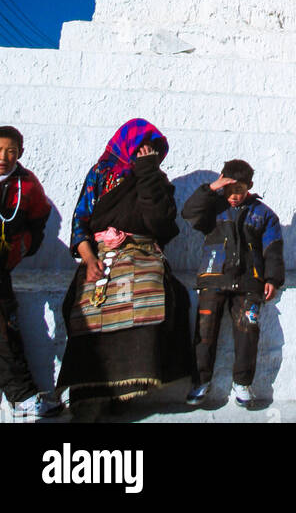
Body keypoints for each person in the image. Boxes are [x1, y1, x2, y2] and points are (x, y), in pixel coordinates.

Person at [58, 118, 192, 414]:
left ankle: (129, 388)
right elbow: (80, 221)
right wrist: (90, 258)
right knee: (86, 307)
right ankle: (92, 395)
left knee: (159, 297)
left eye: (153, 148)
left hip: (144, 251)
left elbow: (159, 222)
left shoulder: (158, 181)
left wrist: (147, 173)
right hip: (101, 254)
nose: (147, 151)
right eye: (142, 146)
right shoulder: (99, 174)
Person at [182, 159, 285, 407]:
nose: (234, 197)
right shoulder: (213, 209)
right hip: (213, 277)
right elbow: (189, 213)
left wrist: (272, 278)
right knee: (204, 331)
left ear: (249, 186)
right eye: (229, 190)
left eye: (239, 191)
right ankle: (201, 381)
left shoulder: (263, 214)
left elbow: (273, 248)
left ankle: (242, 382)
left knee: (247, 331)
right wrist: (212, 188)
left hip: (249, 282)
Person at [0, 125, 61, 418]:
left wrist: (23, 247)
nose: (3, 157)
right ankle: (23, 399)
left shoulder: (26, 184)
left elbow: (39, 216)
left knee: (5, 334)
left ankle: (23, 400)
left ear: (20, 152)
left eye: (11, 151)